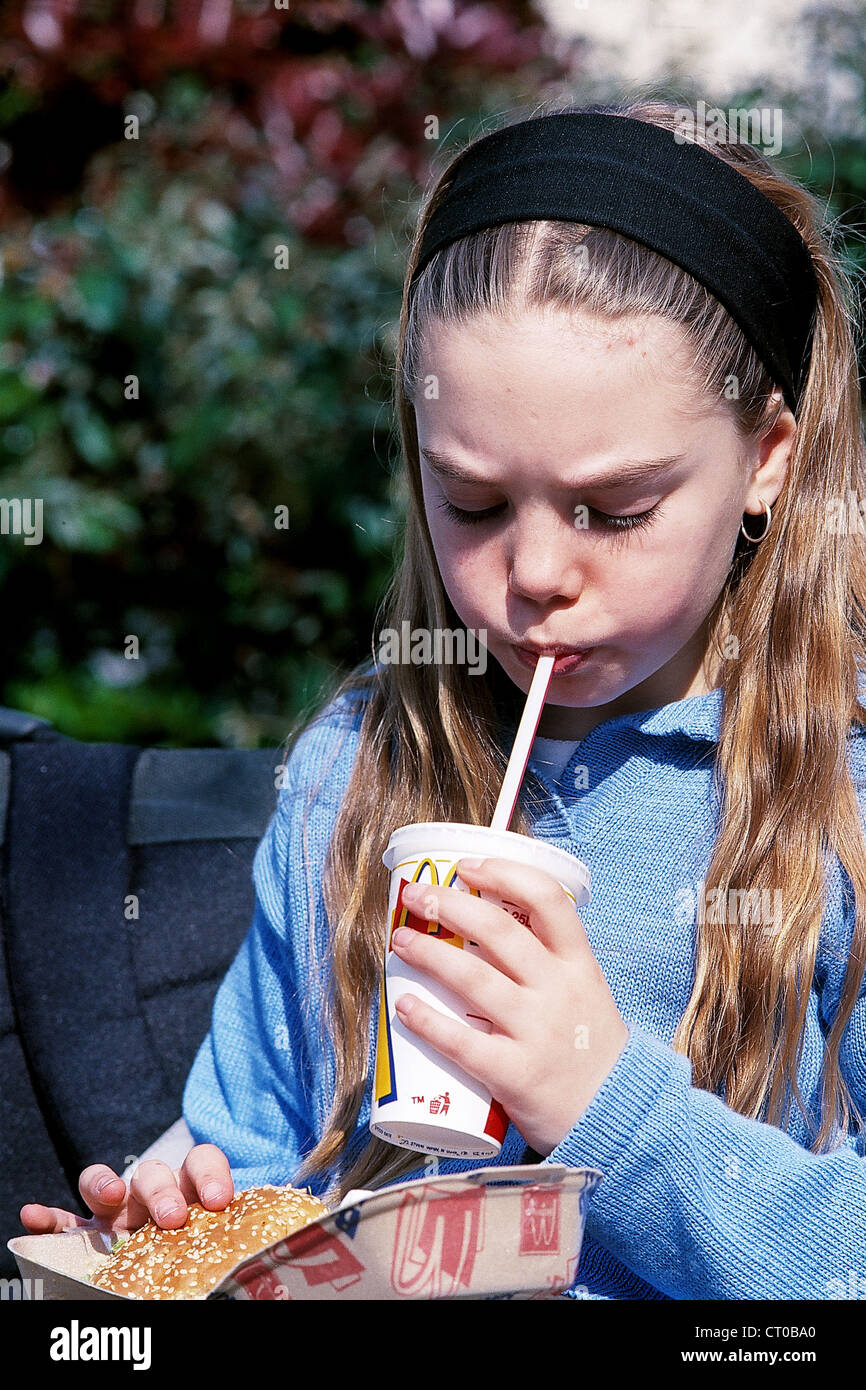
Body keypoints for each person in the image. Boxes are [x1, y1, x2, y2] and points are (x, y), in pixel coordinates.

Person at [20, 97, 866, 1301]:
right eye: (469, 501)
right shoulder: (349, 772)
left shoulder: (837, 802)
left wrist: (600, 1103)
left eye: (613, 508)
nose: (532, 576)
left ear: (767, 457)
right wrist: (180, 1214)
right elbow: (264, 1155)